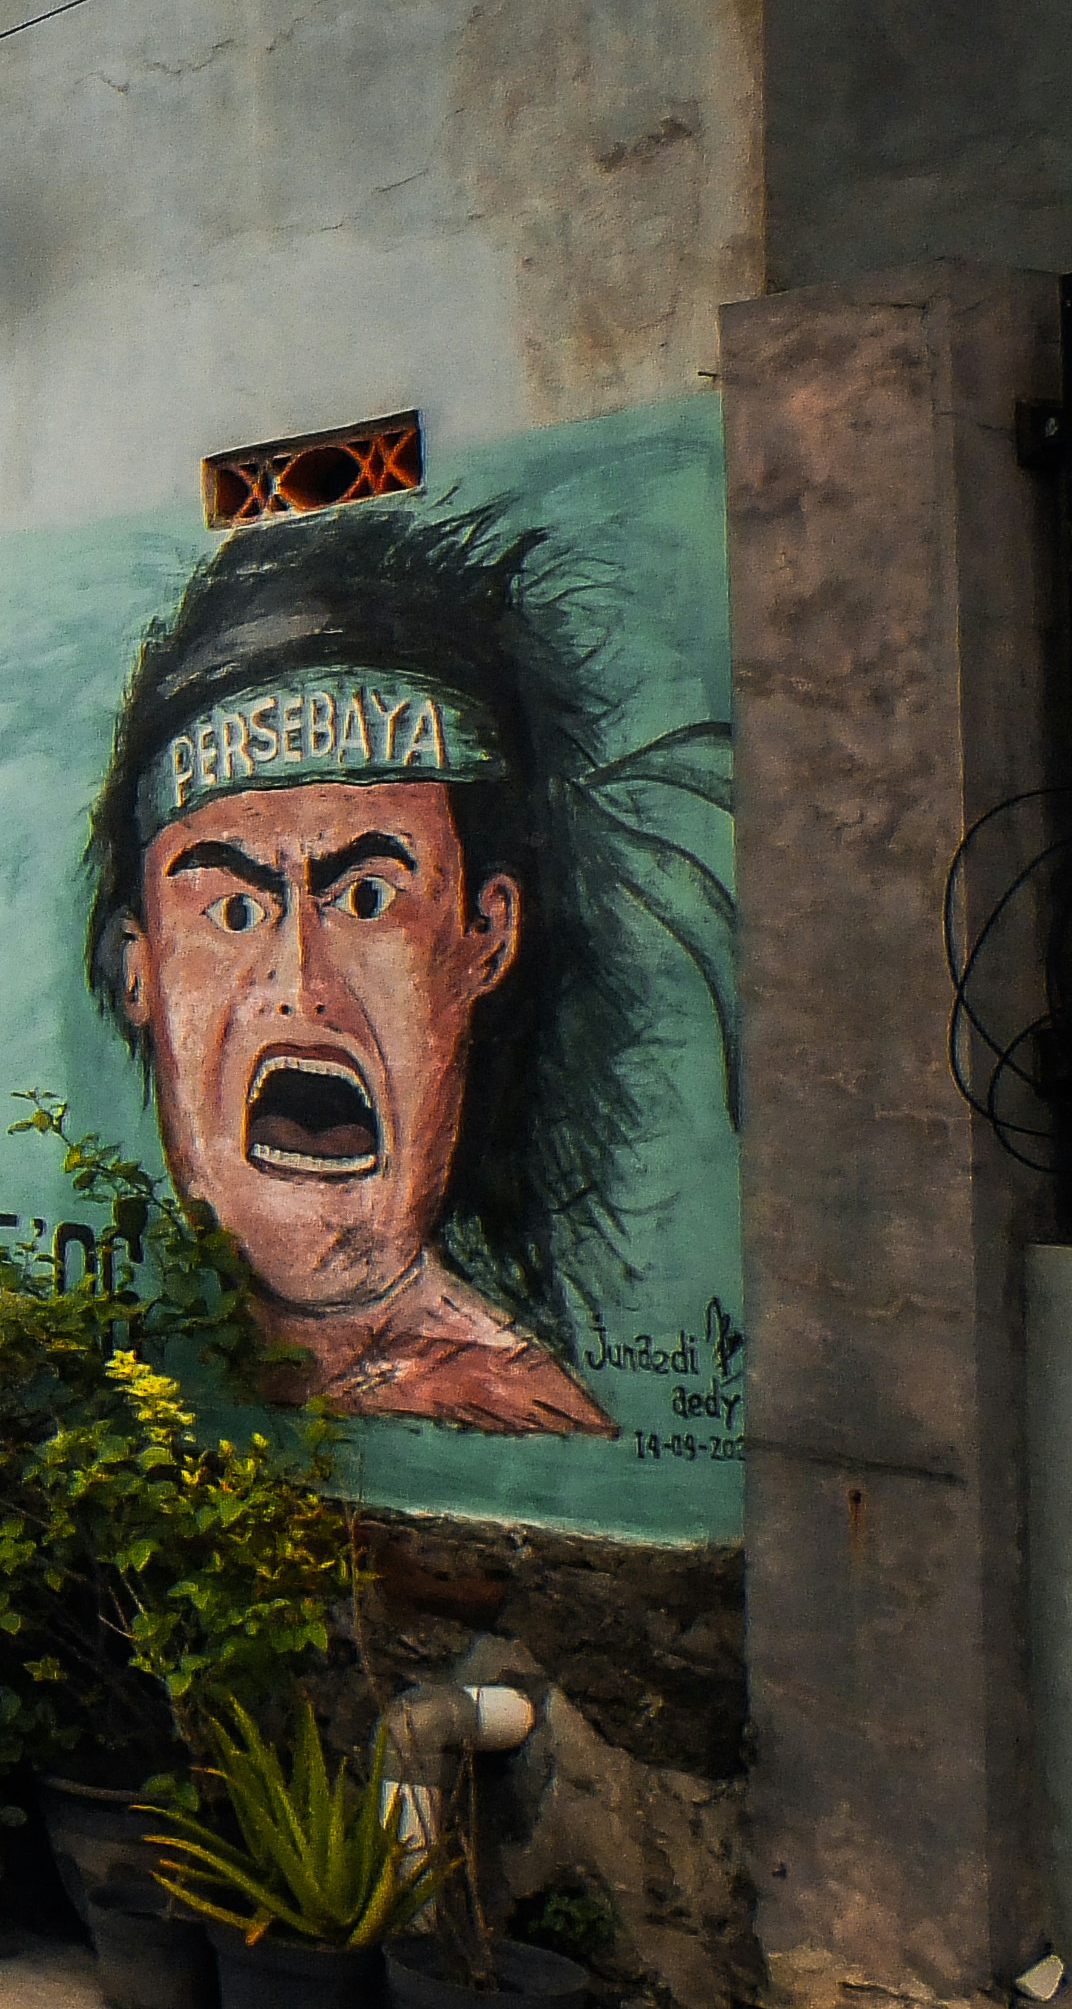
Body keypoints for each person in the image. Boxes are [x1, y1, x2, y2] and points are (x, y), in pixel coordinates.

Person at [81, 500, 724, 1437]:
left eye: (368, 898)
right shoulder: (117, 1361)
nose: (300, 982)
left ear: (484, 938)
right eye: (233, 908)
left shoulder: (516, 1413)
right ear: (140, 970)